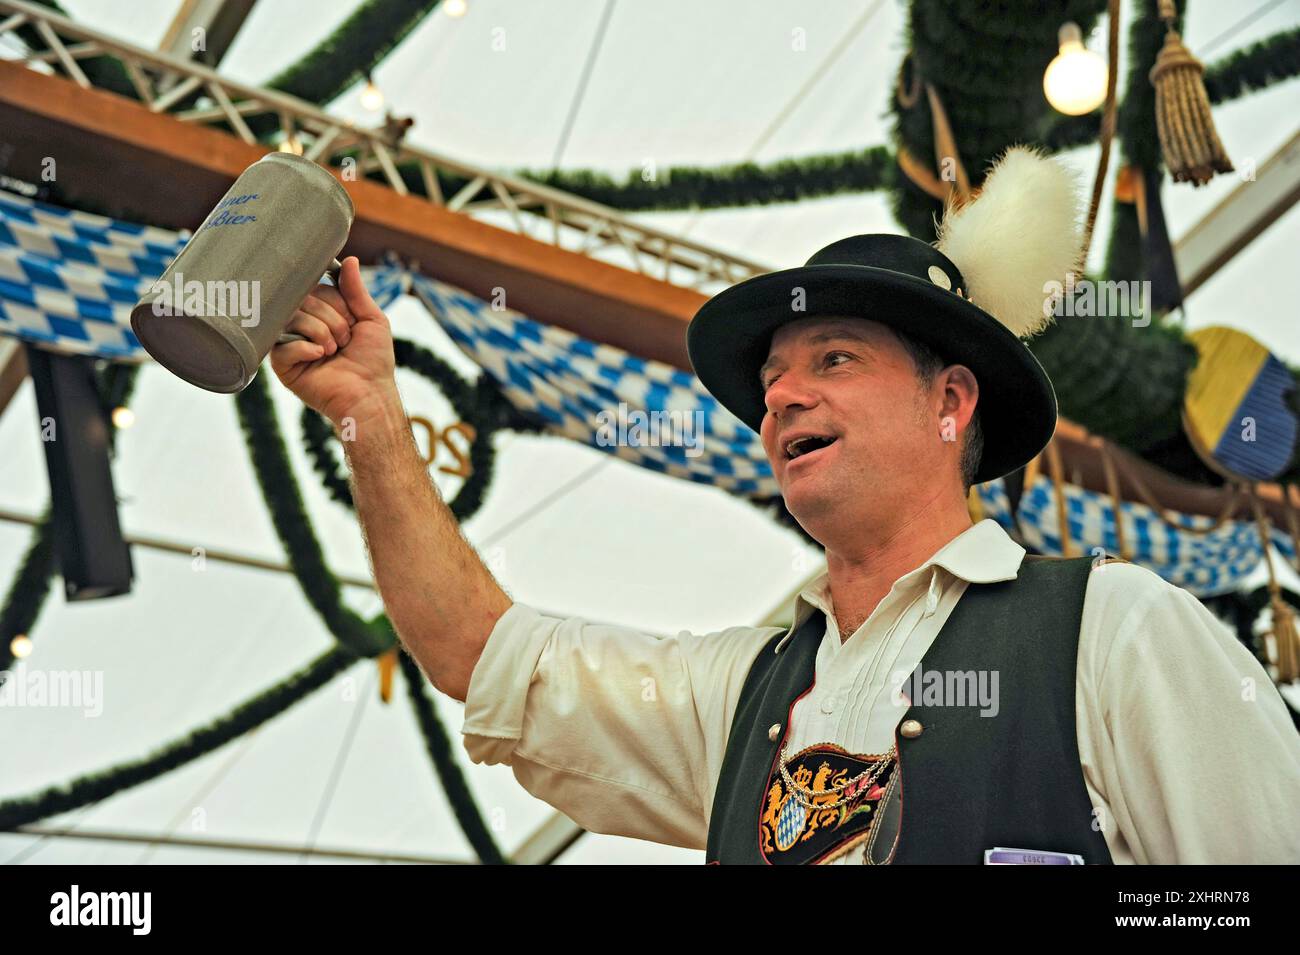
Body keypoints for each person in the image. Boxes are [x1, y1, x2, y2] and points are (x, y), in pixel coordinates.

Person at [271, 148, 1300, 864]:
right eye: (771, 379)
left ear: (950, 401)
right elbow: (474, 652)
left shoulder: (1113, 632)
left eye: (833, 359)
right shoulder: (744, 696)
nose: (780, 396)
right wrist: (371, 413)